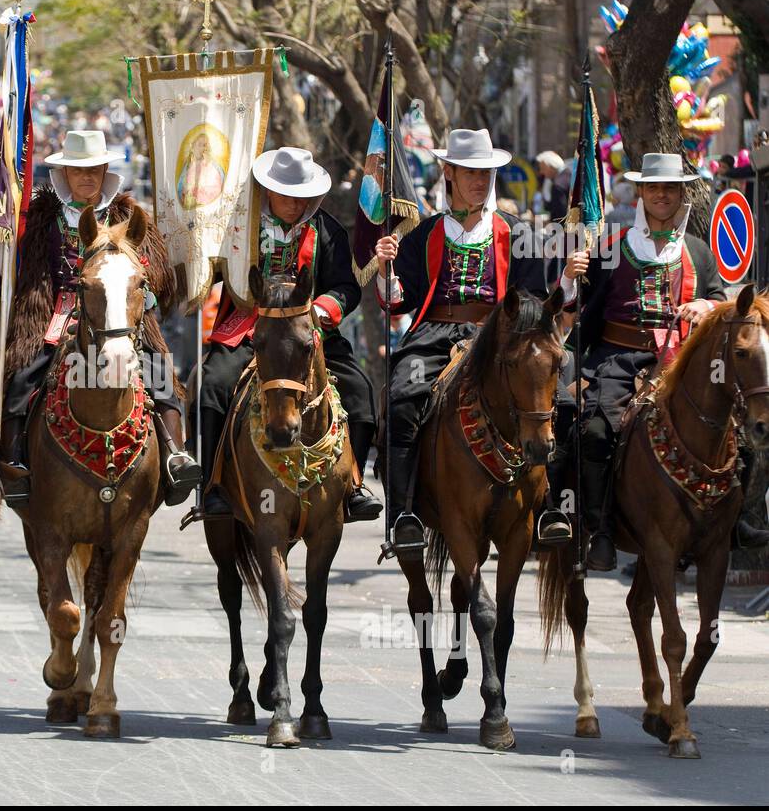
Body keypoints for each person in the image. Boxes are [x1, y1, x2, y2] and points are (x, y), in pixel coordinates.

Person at [554, 152, 764, 569]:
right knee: (596, 430)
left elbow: (725, 303)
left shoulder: (698, 252)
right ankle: (599, 529)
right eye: (654, 187)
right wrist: (568, 277)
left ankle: (738, 520)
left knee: (743, 432)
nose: (662, 195)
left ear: (682, 193)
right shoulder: (611, 246)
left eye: (670, 187)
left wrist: (706, 304)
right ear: (641, 192)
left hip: (683, 362)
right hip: (618, 357)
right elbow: (577, 309)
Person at [376, 129, 570, 556]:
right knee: (401, 398)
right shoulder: (422, 234)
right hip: (434, 333)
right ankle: (402, 514)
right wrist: (385, 272)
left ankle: (554, 508)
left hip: (499, 337)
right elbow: (398, 300)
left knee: (566, 399)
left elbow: (536, 300)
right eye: (470, 172)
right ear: (449, 172)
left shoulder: (518, 233)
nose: (480, 181)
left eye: (486, 172)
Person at [0, 129, 200, 506]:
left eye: (94, 169)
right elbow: (34, 274)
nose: (87, 177)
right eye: (78, 171)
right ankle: (13, 461)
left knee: (159, 374)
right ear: (66, 174)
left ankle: (175, 454)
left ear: (105, 169)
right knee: (23, 375)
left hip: (120, 311)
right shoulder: (44, 218)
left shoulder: (128, 215)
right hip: (57, 313)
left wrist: (143, 288)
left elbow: (155, 269)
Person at [196, 146, 383, 521]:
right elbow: (210, 273)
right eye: (287, 194)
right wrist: (198, 256)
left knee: (361, 392)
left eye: (302, 196)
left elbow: (346, 288)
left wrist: (318, 311)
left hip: (307, 335)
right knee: (213, 384)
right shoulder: (238, 226)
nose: (295, 204)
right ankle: (212, 485)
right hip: (249, 329)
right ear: (267, 189)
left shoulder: (326, 230)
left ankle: (355, 486)